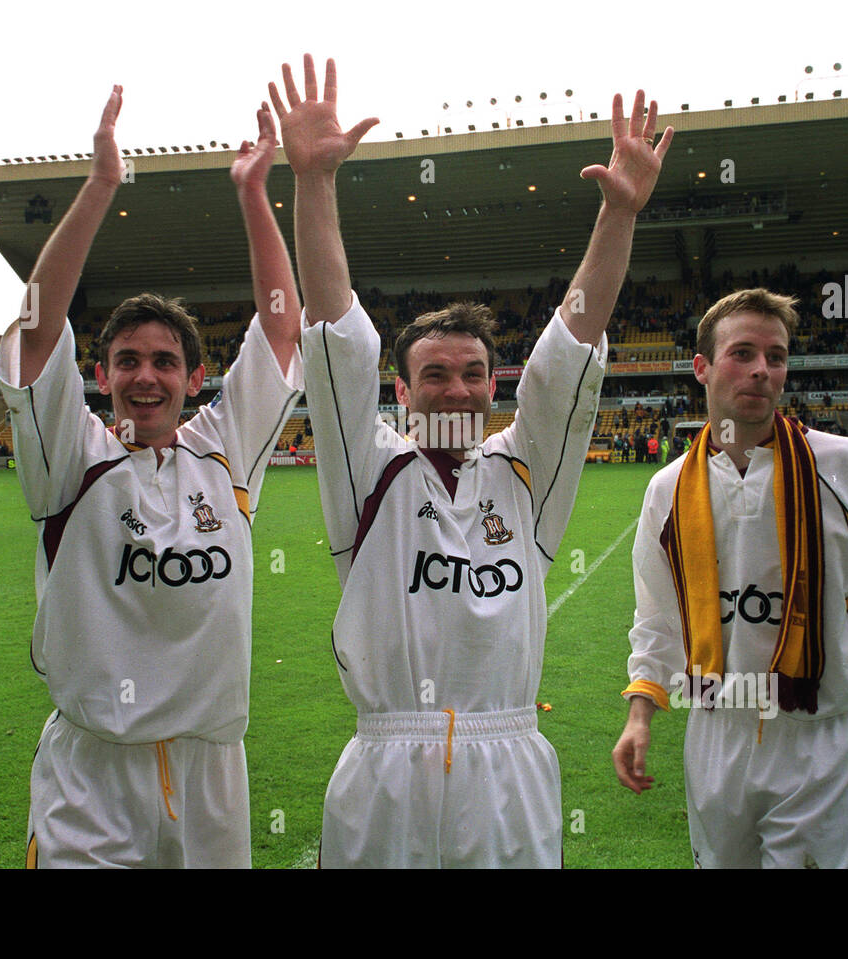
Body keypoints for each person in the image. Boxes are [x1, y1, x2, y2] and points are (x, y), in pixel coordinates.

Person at [273, 55, 671, 867]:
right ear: (403, 389)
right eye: (435, 374)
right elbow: (334, 345)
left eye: (473, 374)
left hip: (508, 763)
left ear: (496, 385)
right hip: (388, 760)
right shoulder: (366, 470)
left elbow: (569, 357)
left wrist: (619, 218)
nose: (456, 391)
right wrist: (315, 184)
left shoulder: (528, 475)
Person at [0, 88, 302, 868]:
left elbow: (281, 326)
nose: (145, 375)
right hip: (95, 774)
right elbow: (34, 331)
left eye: (164, 360)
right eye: (126, 359)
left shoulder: (225, 450)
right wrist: (100, 187)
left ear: (194, 378)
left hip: (213, 772)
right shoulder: (71, 458)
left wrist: (253, 194)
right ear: (99, 376)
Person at [612, 288, 848, 869]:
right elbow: (658, 616)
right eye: (742, 353)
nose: (761, 370)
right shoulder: (667, 488)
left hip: (824, 737)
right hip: (718, 737)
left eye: (775, 357)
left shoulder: (844, 464)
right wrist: (640, 713)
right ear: (701, 367)